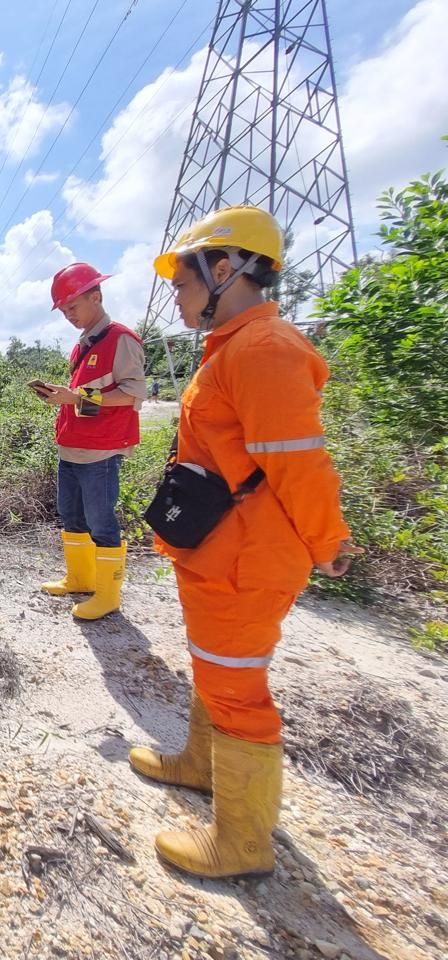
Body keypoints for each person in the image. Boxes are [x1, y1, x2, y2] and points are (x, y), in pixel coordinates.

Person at [131, 204, 358, 879]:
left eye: (183, 280)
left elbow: (298, 463)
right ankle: (201, 766)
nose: (176, 293)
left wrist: (329, 541)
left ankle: (241, 842)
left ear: (224, 269)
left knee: (236, 689)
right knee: (214, 665)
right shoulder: (233, 347)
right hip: (221, 550)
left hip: (248, 555)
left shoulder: (263, 350)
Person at [35, 262, 146, 620]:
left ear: (96, 297)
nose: (68, 315)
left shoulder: (121, 339)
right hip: (73, 446)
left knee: (101, 521)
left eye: (73, 306)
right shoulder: (83, 344)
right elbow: (86, 394)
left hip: (101, 451)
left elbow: (131, 394)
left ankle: (107, 595)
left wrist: (76, 397)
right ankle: (79, 580)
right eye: (64, 310)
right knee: (71, 515)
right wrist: (64, 397)